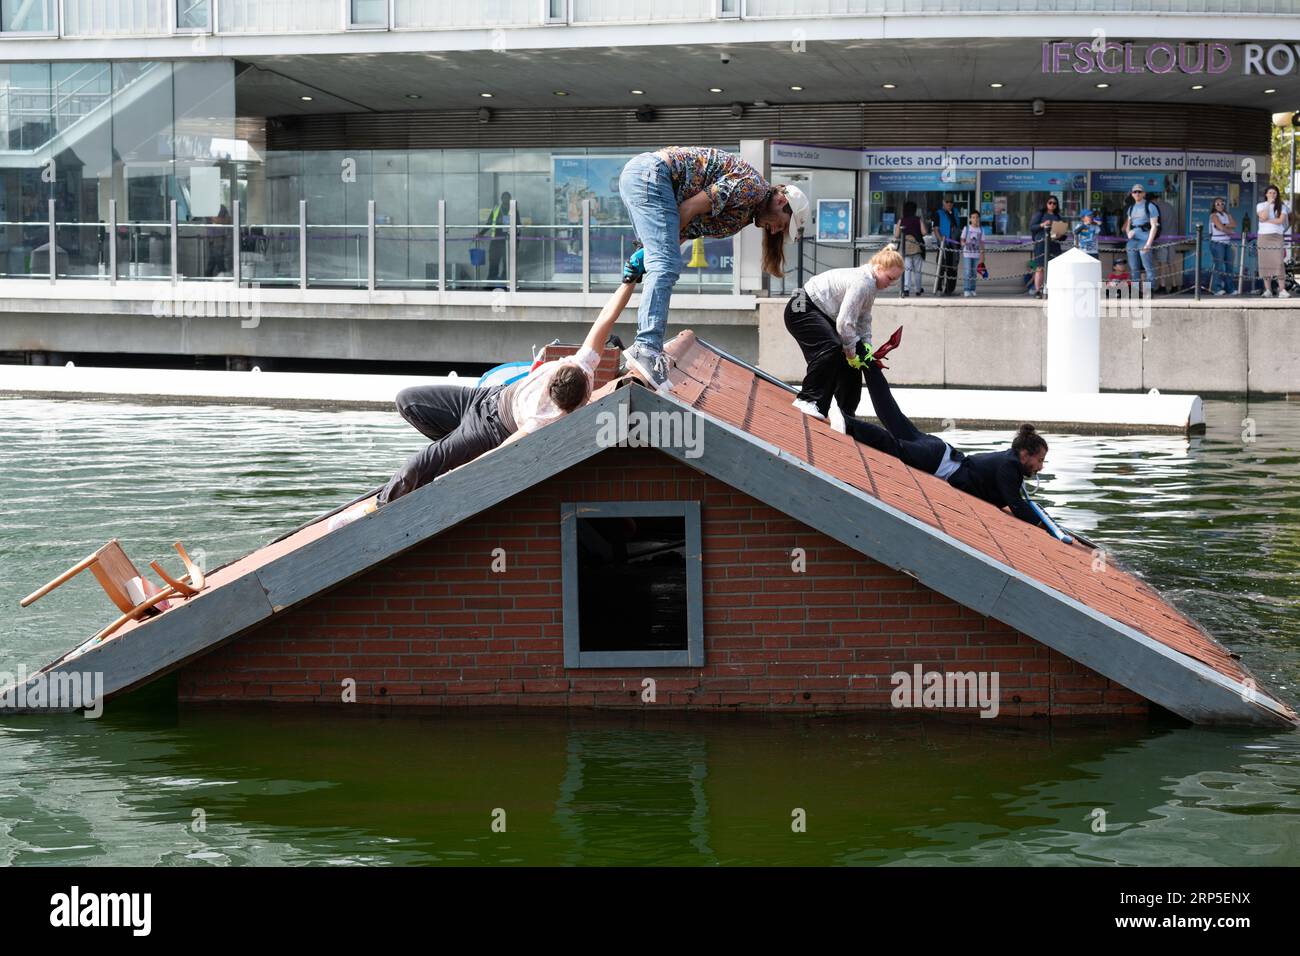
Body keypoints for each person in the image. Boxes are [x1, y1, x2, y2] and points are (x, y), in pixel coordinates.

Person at [353, 251, 645, 520]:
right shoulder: (583, 363)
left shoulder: (545, 419)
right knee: (408, 401)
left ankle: (378, 508)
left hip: (491, 430)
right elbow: (607, 317)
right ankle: (452, 446)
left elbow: (499, 452)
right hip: (486, 398)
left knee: (419, 466)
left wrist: (455, 469)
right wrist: (629, 280)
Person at [618, 147, 808, 392]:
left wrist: (648, 253)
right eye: (781, 225)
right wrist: (658, 253)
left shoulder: (742, 217)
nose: (773, 231)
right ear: (782, 201)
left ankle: (647, 345)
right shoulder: (750, 188)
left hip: (647, 178)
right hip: (650, 175)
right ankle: (647, 347)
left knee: (663, 260)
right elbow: (686, 210)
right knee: (665, 263)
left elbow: (684, 229)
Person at [839, 361, 1052, 532]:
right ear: (1025, 454)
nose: (1041, 467)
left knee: (893, 416)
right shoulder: (1011, 467)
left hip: (938, 450)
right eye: (1040, 460)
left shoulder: (1009, 461)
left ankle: (869, 364)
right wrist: (1044, 525)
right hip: (936, 460)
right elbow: (1016, 505)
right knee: (892, 444)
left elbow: (1013, 501)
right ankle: (847, 422)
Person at [784, 245, 905, 422]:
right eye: (889, 278)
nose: (890, 284)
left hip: (818, 310)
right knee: (830, 347)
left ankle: (846, 415)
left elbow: (864, 319)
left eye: (894, 281)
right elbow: (844, 322)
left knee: (851, 367)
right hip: (801, 305)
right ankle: (808, 400)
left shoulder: (871, 285)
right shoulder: (863, 283)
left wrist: (865, 347)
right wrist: (851, 350)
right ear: (879, 268)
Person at [1122, 184, 1159, 296]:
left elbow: (1154, 226)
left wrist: (1149, 243)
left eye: (1139, 191)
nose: (1137, 194)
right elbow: (1128, 224)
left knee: (1147, 265)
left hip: (1145, 238)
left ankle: (1150, 290)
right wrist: (1128, 233)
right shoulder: (1131, 208)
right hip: (1133, 239)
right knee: (1133, 266)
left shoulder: (1150, 206)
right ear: (1132, 194)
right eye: (1135, 192)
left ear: (1144, 193)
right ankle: (1135, 291)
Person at [1255, 184, 1291, 298]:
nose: (1272, 195)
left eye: (1274, 193)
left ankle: (1282, 290)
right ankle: (1268, 290)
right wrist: (1269, 204)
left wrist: (1265, 220)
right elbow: (1262, 215)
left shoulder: (1282, 206)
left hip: (1277, 236)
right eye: (1270, 193)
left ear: (1277, 194)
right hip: (1263, 237)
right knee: (1265, 263)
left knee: (1279, 263)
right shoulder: (1260, 205)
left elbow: (1280, 221)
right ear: (1266, 194)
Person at [1027, 196, 1062, 297]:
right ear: (1046, 204)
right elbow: (1032, 227)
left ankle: (1051, 290)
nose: (1052, 205)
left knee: (1054, 268)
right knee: (1040, 268)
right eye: (1050, 202)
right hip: (1041, 244)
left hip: (1054, 244)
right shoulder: (1040, 214)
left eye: (1054, 203)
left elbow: (1062, 236)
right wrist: (1042, 225)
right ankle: (1038, 291)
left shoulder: (1058, 216)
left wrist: (1061, 234)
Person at [893, 201, 928, 297]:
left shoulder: (901, 220)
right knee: (918, 270)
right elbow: (924, 232)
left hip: (905, 249)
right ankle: (918, 289)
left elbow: (896, 235)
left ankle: (906, 289)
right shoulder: (918, 219)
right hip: (917, 248)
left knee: (907, 269)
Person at [930, 196, 962, 296]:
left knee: (953, 268)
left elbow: (958, 227)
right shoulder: (939, 213)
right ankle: (939, 289)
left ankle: (950, 290)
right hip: (944, 244)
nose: (949, 204)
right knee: (941, 268)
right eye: (947, 202)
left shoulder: (955, 212)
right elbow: (935, 229)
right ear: (943, 202)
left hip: (955, 245)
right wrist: (941, 242)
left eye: (951, 202)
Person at [1207, 197, 1237, 296]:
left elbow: (1234, 224)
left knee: (1229, 266)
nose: (1220, 205)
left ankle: (1230, 288)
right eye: (1217, 204)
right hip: (1217, 243)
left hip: (1227, 243)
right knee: (1219, 266)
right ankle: (1216, 288)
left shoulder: (1227, 214)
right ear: (1214, 206)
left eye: (1222, 203)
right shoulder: (1213, 215)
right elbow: (1219, 227)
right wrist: (1230, 231)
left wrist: (1224, 225)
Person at [481, 191, 512, 283]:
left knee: (507, 265)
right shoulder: (496, 209)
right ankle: (490, 285)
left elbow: (518, 226)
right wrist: (481, 233)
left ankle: (505, 284)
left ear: (510, 199)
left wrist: (516, 243)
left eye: (508, 198)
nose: (506, 199)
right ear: (501, 199)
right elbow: (489, 223)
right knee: (493, 264)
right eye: (504, 197)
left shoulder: (513, 210)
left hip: (508, 242)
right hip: (496, 242)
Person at [960, 211, 984, 297]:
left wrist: (982, 257)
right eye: (973, 217)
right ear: (970, 219)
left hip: (976, 254)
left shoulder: (981, 230)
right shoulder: (966, 228)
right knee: (967, 272)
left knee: (974, 272)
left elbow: (981, 243)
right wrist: (963, 244)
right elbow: (962, 239)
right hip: (967, 254)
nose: (975, 219)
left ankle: (972, 289)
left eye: (977, 217)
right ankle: (966, 289)